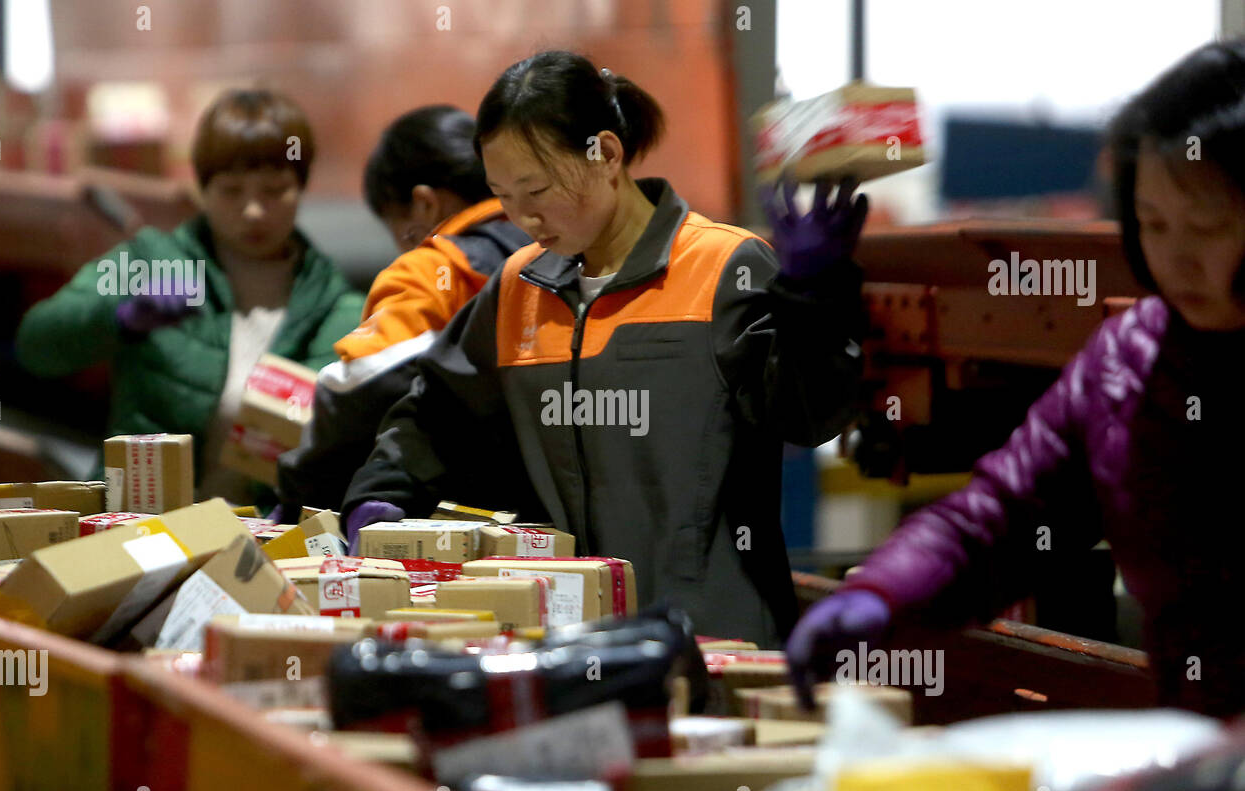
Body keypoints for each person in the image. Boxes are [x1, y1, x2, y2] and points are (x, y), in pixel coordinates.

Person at [343, 50, 868, 646]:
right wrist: (380, 497)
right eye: (501, 194)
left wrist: (814, 301)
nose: (522, 216)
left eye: (536, 189)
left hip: (717, 644)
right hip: (568, 647)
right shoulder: (519, 286)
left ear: (607, 155)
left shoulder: (724, 267)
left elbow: (808, 415)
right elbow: (434, 412)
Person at [787, 40, 1245, 719]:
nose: (1173, 256)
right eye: (1151, 222)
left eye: (1206, 225)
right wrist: (880, 593)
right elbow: (1000, 520)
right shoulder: (1127, 362)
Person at [14, 89, 363, 508]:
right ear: (201, 190)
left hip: (267, 540)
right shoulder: (148, 263)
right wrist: (119, 316)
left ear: (301, 187)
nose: (253, 211)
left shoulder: (337, 308)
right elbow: (36, 347)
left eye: (274, 190)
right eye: (232, 191)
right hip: (141, 525)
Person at [274, 105, 531, 522]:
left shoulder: (434, 267)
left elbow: (363, 387)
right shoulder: (557, 252)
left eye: (396, 227)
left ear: (424, 204)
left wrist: (296, 493)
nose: (402, 247)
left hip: (447, 519)